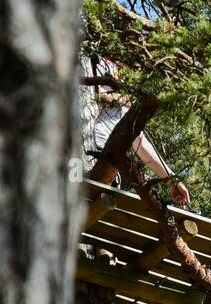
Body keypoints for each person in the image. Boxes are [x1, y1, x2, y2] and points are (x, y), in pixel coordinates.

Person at [81, 55, 190, 205]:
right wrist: (128, 100)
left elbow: (141, 144)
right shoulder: (96, 59)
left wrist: (172, 179)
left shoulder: (126, 82)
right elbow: (94, 95)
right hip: (84, 151)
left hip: (108, 165)